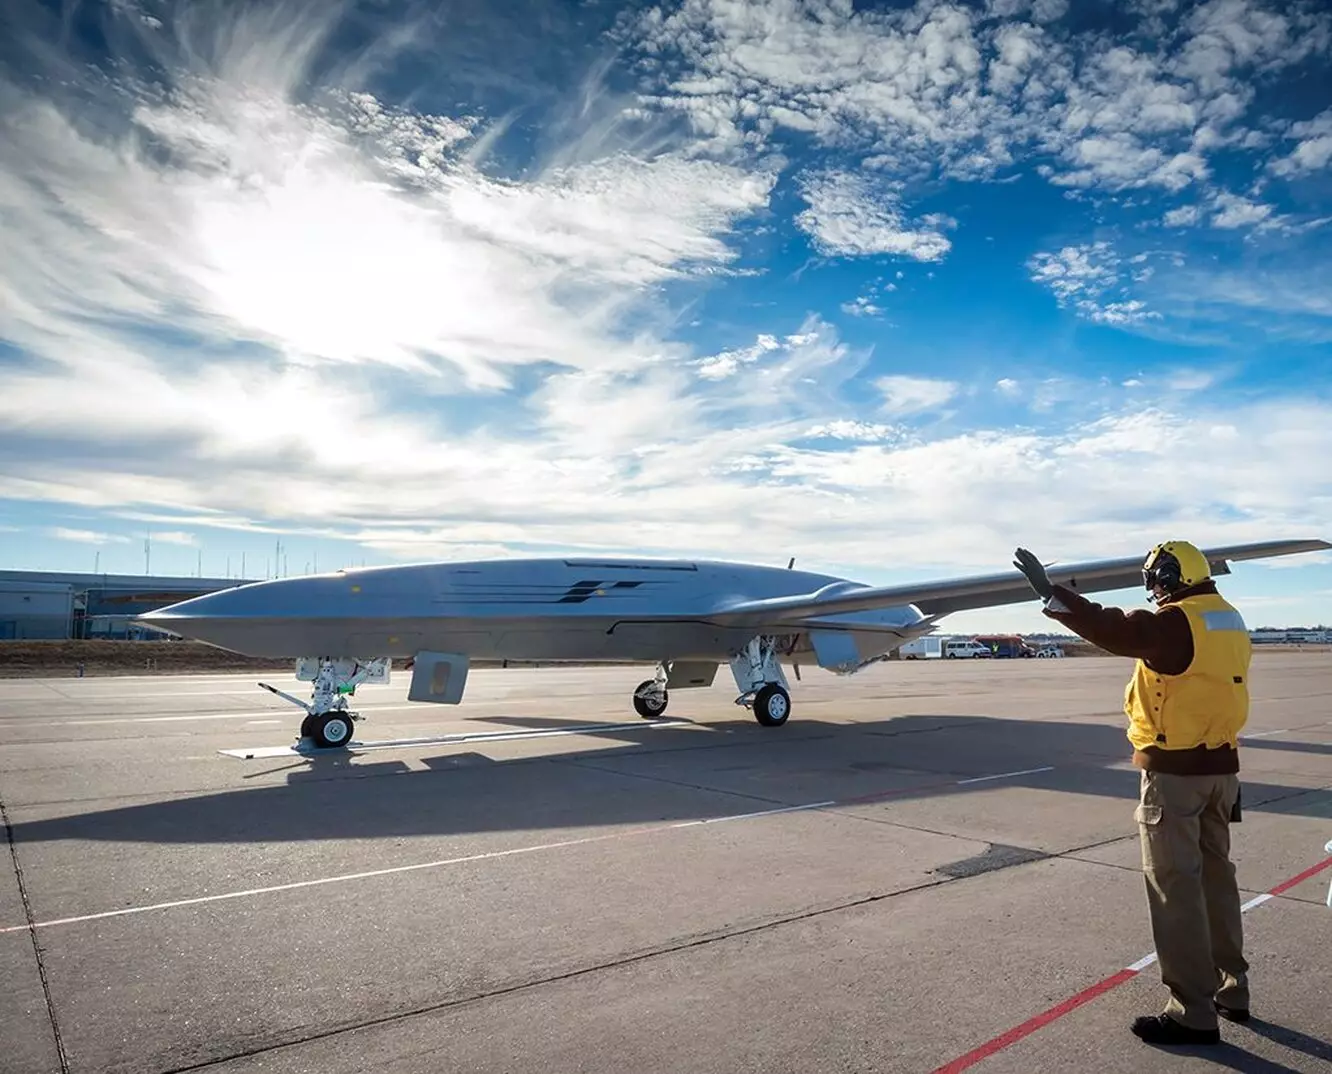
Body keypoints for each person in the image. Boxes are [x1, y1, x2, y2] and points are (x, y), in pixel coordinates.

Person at [1012, 541, 1251, 1046]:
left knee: (1175, 890)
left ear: (1169, 576)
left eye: (1155, 578)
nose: (1152, 588)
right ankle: (1233, 988)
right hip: (1222, 772)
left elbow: (1114, 628)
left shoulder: (1176, 622)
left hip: (1176, 776)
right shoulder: (1228, 618)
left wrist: (1052, 595)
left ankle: (1192, 1012)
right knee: (1217, 879)